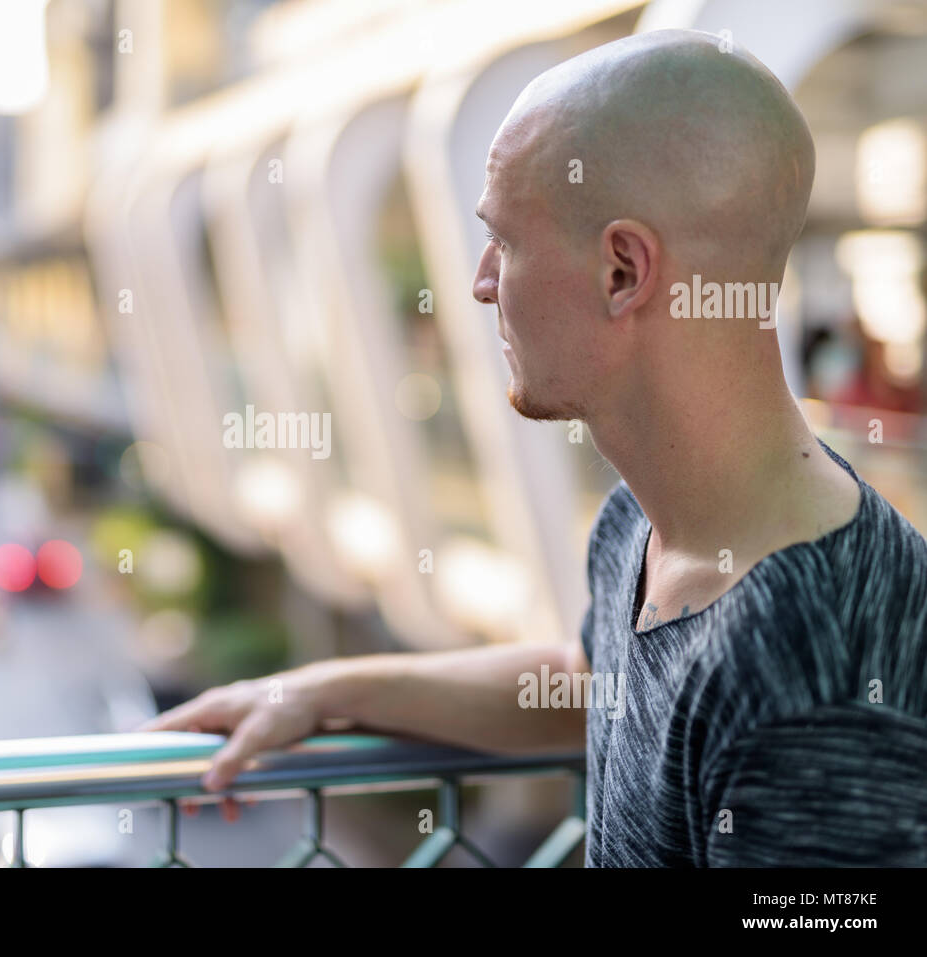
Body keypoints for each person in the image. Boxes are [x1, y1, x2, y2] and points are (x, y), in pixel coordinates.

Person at [140, 28, 927, 866]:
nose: (481, 281)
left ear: (622, 270)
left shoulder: (814, 683)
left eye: (506, 241)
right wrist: (322, 692)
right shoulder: (650, 517)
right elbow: (596, 684)